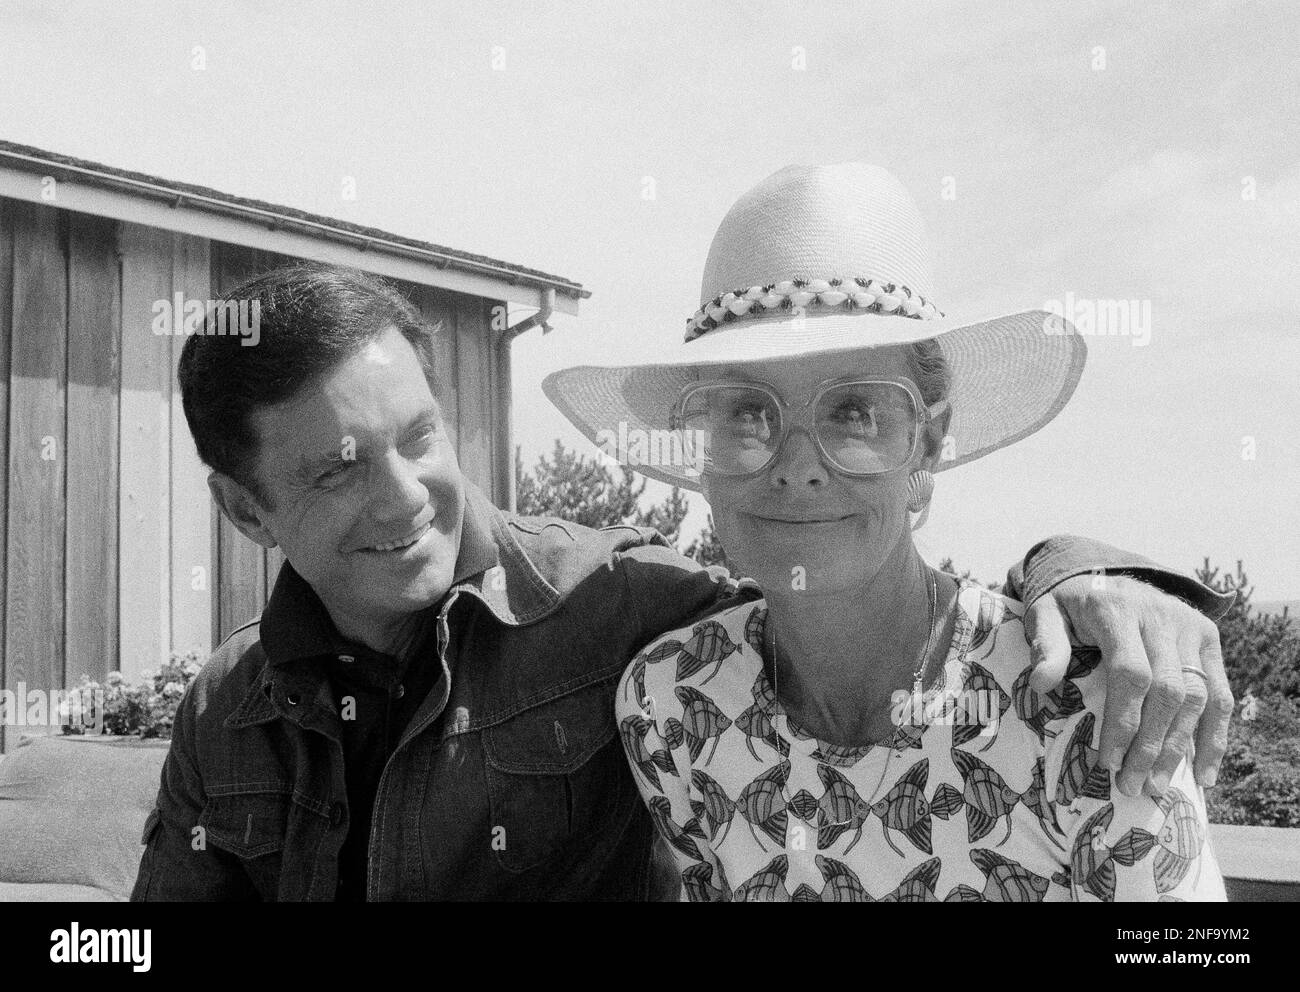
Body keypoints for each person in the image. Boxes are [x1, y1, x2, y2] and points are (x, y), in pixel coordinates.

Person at [133, 258, 1228, 901]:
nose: (405, 494)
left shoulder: (623, 615)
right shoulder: (222, 712)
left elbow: (832, 576)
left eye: (419, 434)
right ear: (243, 509)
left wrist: (1093, 575)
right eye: (335, 468)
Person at [544, 162, 1231, 900]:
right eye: (745, 412)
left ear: (928, 444)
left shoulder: (1091, 712)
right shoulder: (673, 702)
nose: (797, 466)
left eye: (856, 413)